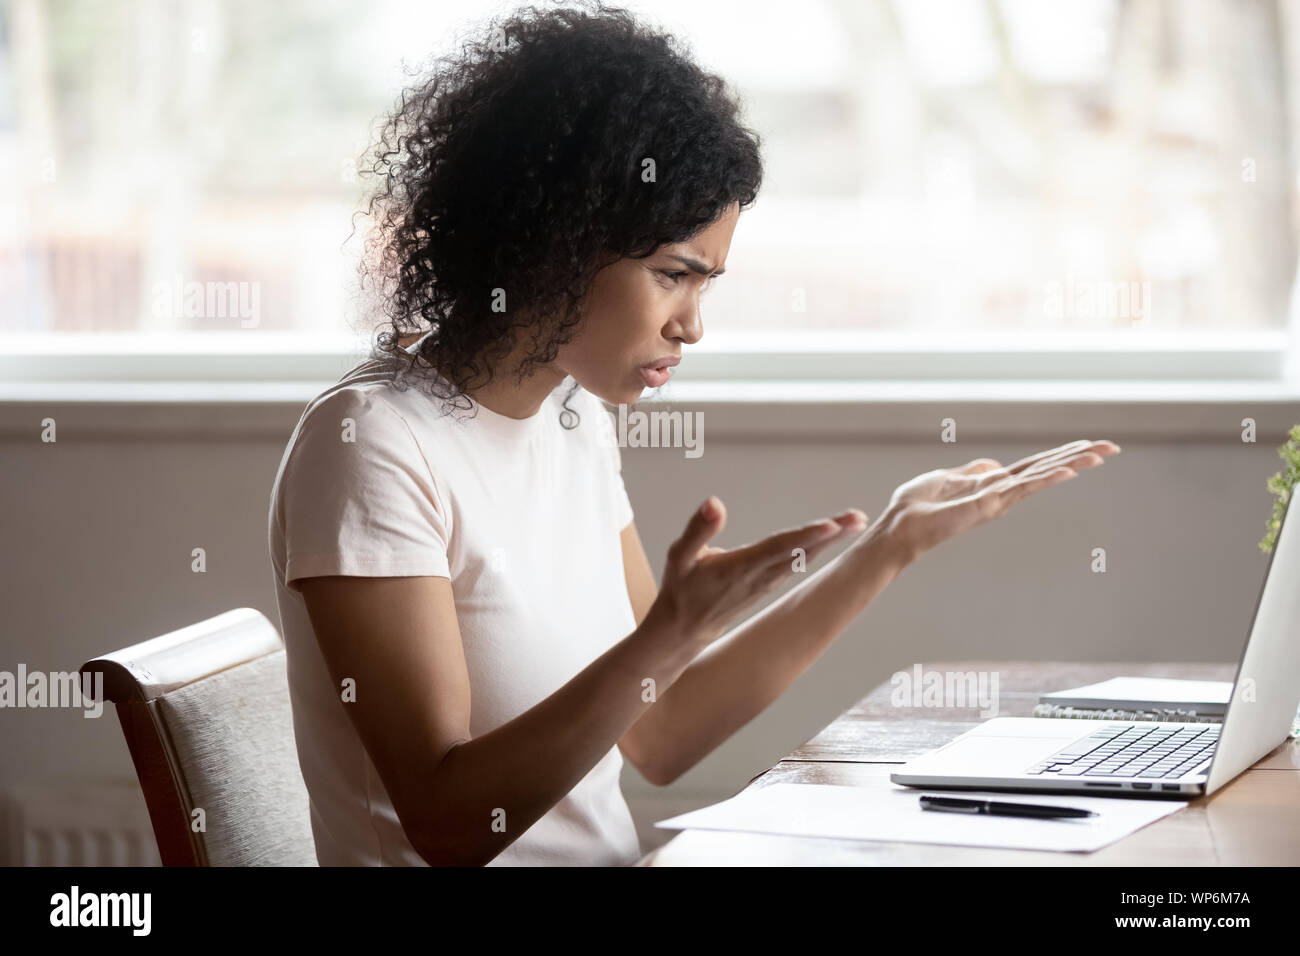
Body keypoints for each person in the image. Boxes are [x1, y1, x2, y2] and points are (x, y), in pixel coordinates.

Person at [267, 1, 1120, 866]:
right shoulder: (372, 445)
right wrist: (668, 634)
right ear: (555, 241)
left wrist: (890, 545)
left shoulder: (571, 418)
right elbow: (446, 826)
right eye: (675, 275)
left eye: (705, 285)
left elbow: (661, 732)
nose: (692, 327)